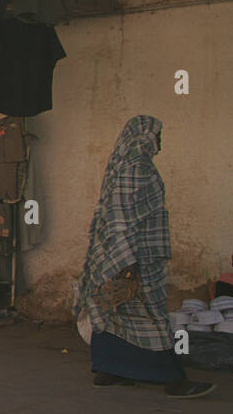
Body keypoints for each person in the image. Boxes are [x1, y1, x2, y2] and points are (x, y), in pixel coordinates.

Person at [74, 116, 213, 398]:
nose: (159, 142)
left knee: (115, 312)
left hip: (127, 253)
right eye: (156, 136)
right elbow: (121, 218)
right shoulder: (137, 167)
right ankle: (173, 379)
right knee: (150, 316)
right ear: (143, 137)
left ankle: (110, 369)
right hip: (136, 255)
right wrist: (127, 260)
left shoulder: (124, 165)